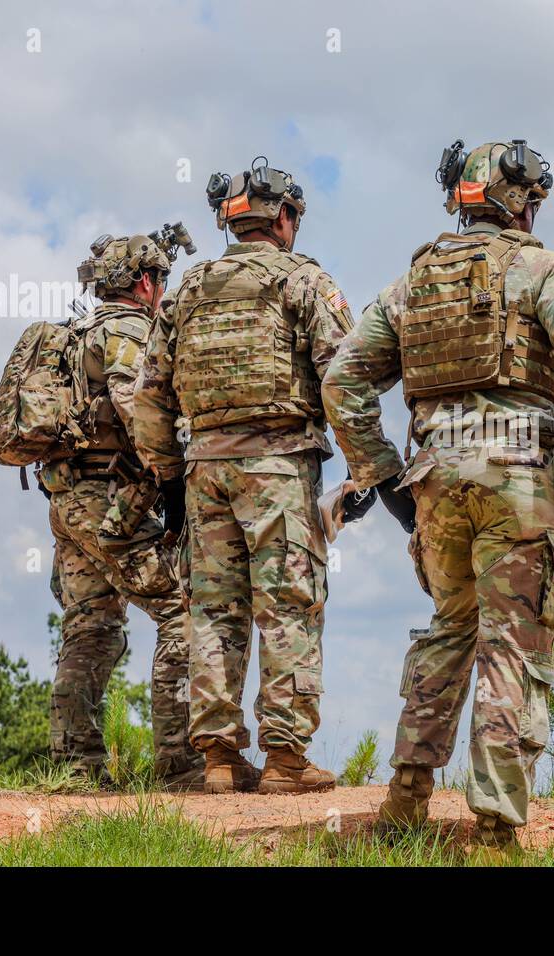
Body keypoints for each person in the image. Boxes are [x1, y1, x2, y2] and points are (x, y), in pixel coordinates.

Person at [321, 139, 554, 849]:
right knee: (512, 648)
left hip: (436, 482)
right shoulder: (544, 269)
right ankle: (492, 829)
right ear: (518, 201)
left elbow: (342, 382)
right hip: (516, 475)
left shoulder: (410, 284)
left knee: (450, 631)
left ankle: (404, 803)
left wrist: (384, 477)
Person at [133, 160, 353, 795]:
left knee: (214, 610)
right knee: (288, 605)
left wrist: (172, 477)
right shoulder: (304, 280)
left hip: (205, 470)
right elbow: (344, 375)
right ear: (283, 217)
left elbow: (150, 397)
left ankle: (220, 761)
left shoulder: (187, 290)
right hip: (279, 466)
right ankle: (286, 759)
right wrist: (363, 467)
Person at [45, 231, 202, 791]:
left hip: (68, 500)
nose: (164, 290)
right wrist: (172, 472)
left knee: (90, 626)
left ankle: (76, 767)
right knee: (180, 611)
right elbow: (133, 401)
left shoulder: (73, 333)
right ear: (144, 282)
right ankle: (179, 763)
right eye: (161, 280)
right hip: (112, 501)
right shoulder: (129, 329)